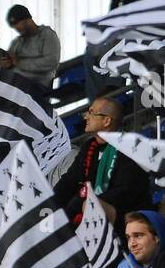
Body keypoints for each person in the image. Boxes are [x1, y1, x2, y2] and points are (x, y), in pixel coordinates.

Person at [52, 98, 151, 231]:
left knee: (88, 206)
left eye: (91, 113)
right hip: (90, 208)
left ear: (107, 121)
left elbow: (124, 192)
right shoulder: (89, 146)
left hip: (126, 216)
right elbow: (69, 180)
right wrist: (48, 203)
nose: (86, 117)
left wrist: (84, 200)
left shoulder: (130, 147)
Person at [1, 4, 61, 91]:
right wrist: (6, 63)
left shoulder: (47, 35)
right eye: (13, 25)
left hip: (38, 86)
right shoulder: (17, 42)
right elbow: (10, 61)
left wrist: (19, 63)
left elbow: (51, 62)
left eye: (17, 23)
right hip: (15, 84)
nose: (16, 28)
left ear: (27, 20)